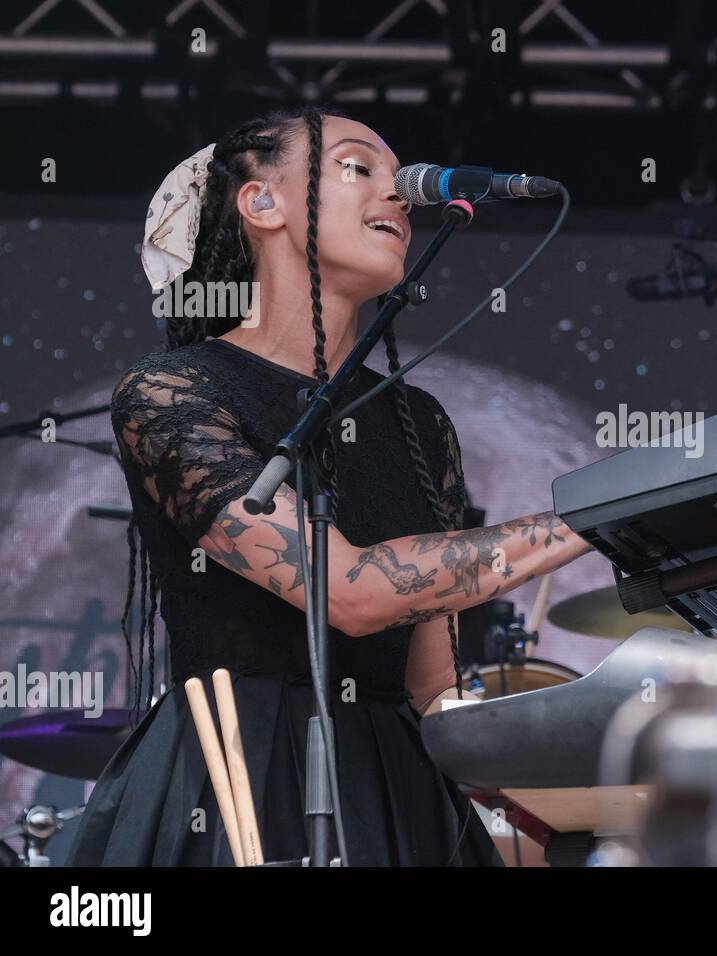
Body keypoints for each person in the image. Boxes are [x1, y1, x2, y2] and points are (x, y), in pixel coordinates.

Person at [68, 106, 592, 866]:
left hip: (392, 789)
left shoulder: (416, 420)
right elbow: (346, 592)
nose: (401, 195)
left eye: (400, 178)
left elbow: (429, 685)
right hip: (231, 782)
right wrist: (593, 520)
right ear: (262, 203)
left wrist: (526, 803)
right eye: (359, 168)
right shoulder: (171, 391)